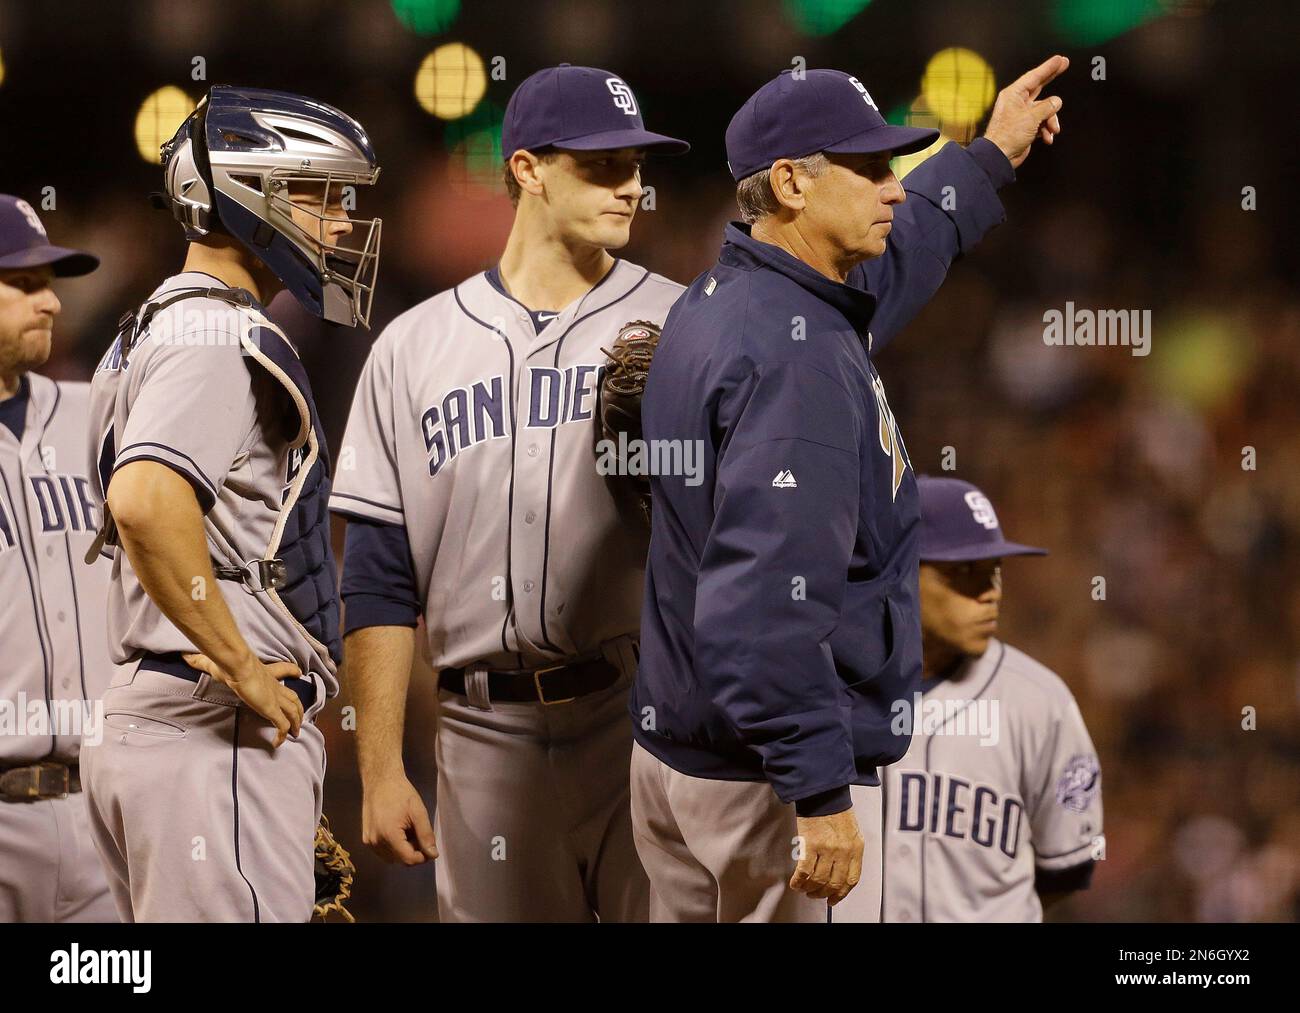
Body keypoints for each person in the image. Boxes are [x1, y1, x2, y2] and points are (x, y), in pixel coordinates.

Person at [630, 56, 1069, 922]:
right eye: (869, 169)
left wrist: (988, 157)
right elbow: (765, 599)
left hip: (686, 748)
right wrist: (819, 787)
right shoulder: (797, 357)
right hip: (761, 784)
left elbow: (895, 261)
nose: (894, 188)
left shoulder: (738, 293)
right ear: (791, 182)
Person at [330, 64, 688, 922]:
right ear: (526, 168)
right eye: (602, 165)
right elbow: (379, 576)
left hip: (642, 716)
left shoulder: (684, 324)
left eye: (637, 164)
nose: (630, 185)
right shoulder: (414, 348)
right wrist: (381, 770)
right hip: (480, 730)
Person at [79, 85, 382, 922]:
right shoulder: (218, 335)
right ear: (255, 197)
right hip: (209, 730)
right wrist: (245, 665)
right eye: (322, 195)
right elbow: (143, 500)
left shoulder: (146, 327)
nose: (345, 223)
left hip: (164, 723)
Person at [834, 476, 1104, 923]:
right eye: (964, 573)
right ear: (897, 570)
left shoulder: (1039, 701)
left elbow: (1068, 867)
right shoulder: (821, 686)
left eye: (994, 570)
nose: (991, 591)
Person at [0, 194, 121, 922]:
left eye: (51, 282)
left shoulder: (98, 417)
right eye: (22, 283)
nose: (50, 303)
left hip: (100, 806)